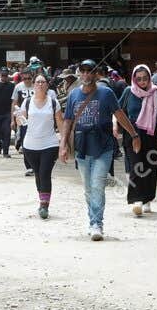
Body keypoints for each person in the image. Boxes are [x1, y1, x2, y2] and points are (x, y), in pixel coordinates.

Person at [59, 59, 138, 241]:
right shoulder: (73, 95)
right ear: (79, 73)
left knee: (97, 184)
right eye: (83, 70)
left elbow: (119, 114)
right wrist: (63, 145)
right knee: (88, 188)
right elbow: (68, 121)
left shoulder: (106, 93)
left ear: (95, 73)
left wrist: (134, 135)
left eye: (90, 71)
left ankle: (97, 223)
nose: (86, 74)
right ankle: (92, 219)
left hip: (103, 145)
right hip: (82, 146)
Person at [120, 64, 157, 217]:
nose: (142, 82)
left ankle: (147, 199)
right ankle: (137, 201)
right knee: (136, 166)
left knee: (149, 167)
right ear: (134, 79)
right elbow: (118, 110)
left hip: (150, 133)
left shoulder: (156, 92)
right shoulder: (129, 91)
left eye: (145, 79)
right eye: (139, 79)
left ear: (149, 78)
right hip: (132, 133)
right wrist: (115, 125)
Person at [21, 73, 64, 219]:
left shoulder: (53, 102)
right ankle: (42, 197)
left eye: (43, 82)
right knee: (38, 173)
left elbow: (60, 122)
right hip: (30, 145)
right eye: (37, 82)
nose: (40, 84)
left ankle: (44, 205)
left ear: (47, 85)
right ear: (34, 85)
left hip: (50, 144)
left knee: (45, 173)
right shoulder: (27, 102)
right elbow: (22, 122)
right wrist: (17, 117)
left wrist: (63, 142)